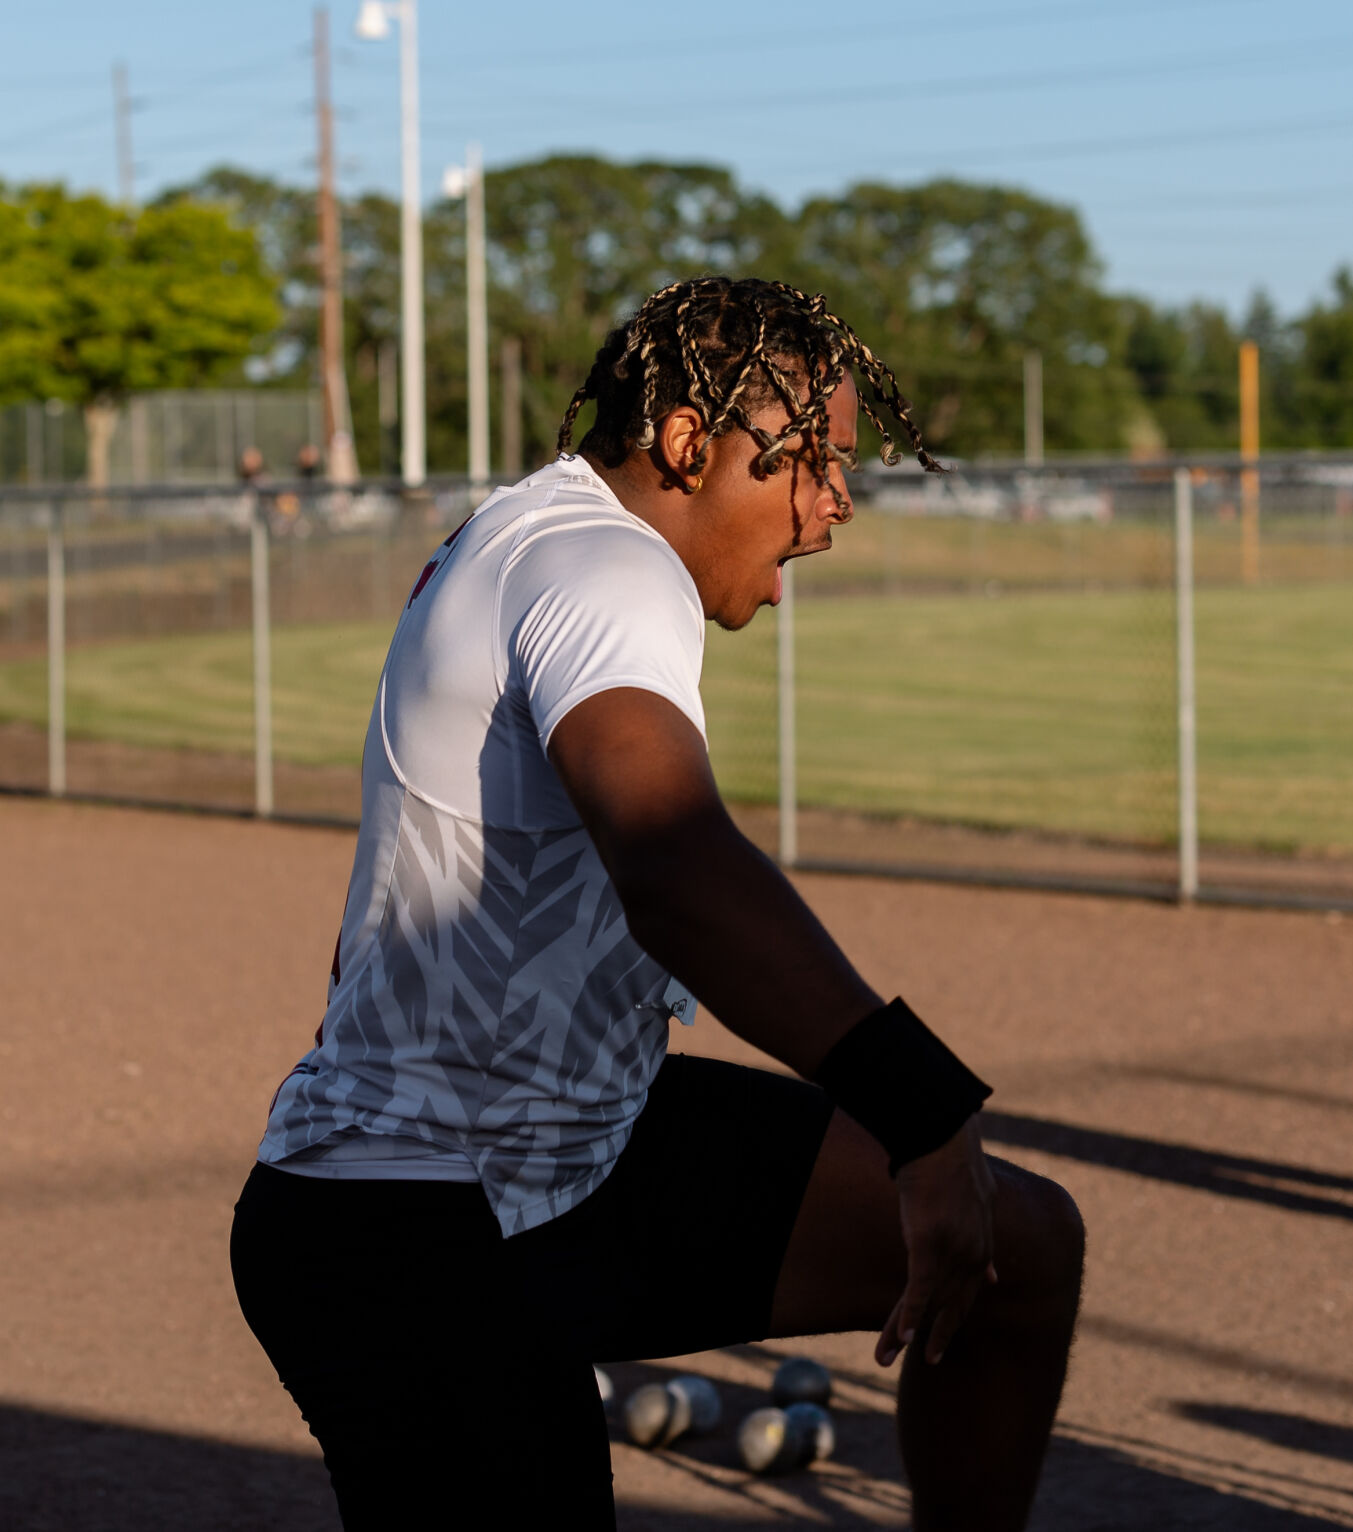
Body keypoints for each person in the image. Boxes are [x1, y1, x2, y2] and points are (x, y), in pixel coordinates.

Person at [231, 276, 1084, 1530]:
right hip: (413, 1215)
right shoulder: (603, 561)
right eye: (816, 462)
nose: (835, 506)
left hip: (578, 1153)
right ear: (690, 442)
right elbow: (674, 862)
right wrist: (919, 1104)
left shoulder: (533, 533)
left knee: (1015, 1251)